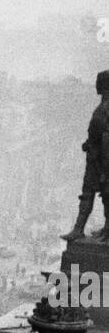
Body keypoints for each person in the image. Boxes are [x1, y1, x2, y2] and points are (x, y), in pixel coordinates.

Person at [63, 70, 109, 241]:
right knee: (89, 193)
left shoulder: (106, 108)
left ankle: (105, 229)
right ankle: (78, 229)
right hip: (95, 157)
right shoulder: (103, 106)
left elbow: (106, 138)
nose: (96, 85)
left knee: (106, 194)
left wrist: (104, 166)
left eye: (99, 82)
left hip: (102, 159)